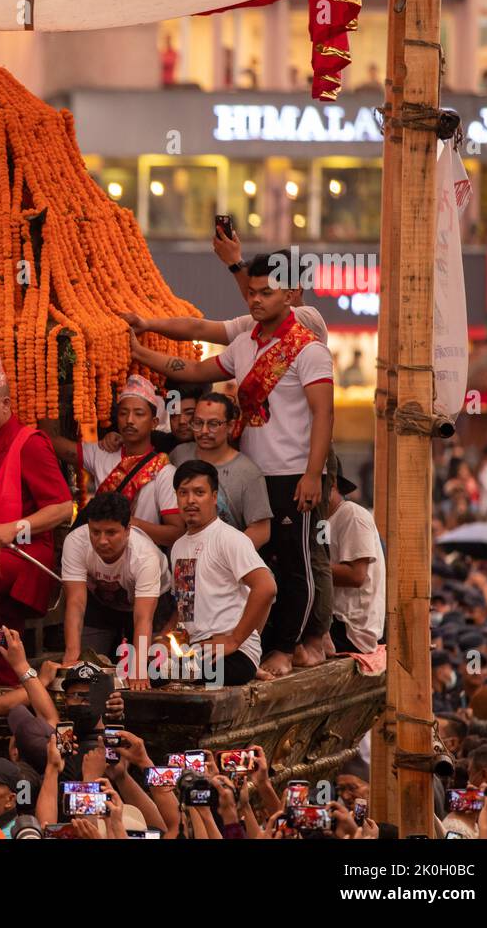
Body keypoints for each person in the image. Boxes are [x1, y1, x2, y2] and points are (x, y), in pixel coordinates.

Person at [132, 252, 334, 677]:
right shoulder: (245, 343)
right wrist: (141, 351)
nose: (255, 300)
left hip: (294, 473)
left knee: (295, 563)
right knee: (265, 563)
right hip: (254, 470)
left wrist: (313, 474)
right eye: (252, 292)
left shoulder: (310, 351)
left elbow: (324, 415)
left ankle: (285, 648)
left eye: (266, 292)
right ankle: (254, 644)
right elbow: (191, 367)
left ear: (292, 294)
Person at [0, 356, 73, 684]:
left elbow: (64, 507)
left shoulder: (29, 443)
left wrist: (12, 529)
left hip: (25, 551)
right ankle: (3, 681)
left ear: (6, 404)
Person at [168, 460, 277, 687]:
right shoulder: (178, 546)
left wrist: (235, 640)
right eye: (183, 493)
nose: (190, 500)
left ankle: (249, 665)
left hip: (232, 655)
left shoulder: (230, 538)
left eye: (199, 492)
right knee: (144, 668)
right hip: (198, 653)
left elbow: (266, 588)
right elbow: (186, 608)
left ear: (214, 496)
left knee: (168, 675)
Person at [52, 374, 182, 548]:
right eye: (123, 413)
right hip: (97, 558)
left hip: (140, 562)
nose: (129, 420)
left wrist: (125, 522)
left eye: (139, 414)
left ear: (154, 422)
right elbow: (52, 442)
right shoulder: (102, 452)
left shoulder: (164, 473)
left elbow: (175, 533)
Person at [60, 492, 171, 684]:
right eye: (95, 532)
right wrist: (71, 657)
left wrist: (139, 668)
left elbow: (143, 617)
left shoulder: (145, 555)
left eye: (111, 533)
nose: (102, 541)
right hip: (100, 602)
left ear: (127, 530)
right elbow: (76, 602)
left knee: (154, 673)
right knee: (86, 668)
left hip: (151, 604)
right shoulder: (75, 542)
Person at [169, 391, 272, 551]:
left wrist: (224, 556)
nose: (203, 431)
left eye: (213, 424)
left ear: (230, 426)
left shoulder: (248, 472)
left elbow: (261, 530)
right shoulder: (178, 455)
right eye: (198, 422)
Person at [325, 470, 386, 655]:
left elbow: (356, 575)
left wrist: (307, 569)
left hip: (351, 628)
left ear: (332, 484)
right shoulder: (323, 519)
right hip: (333, 619)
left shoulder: (352, 515)